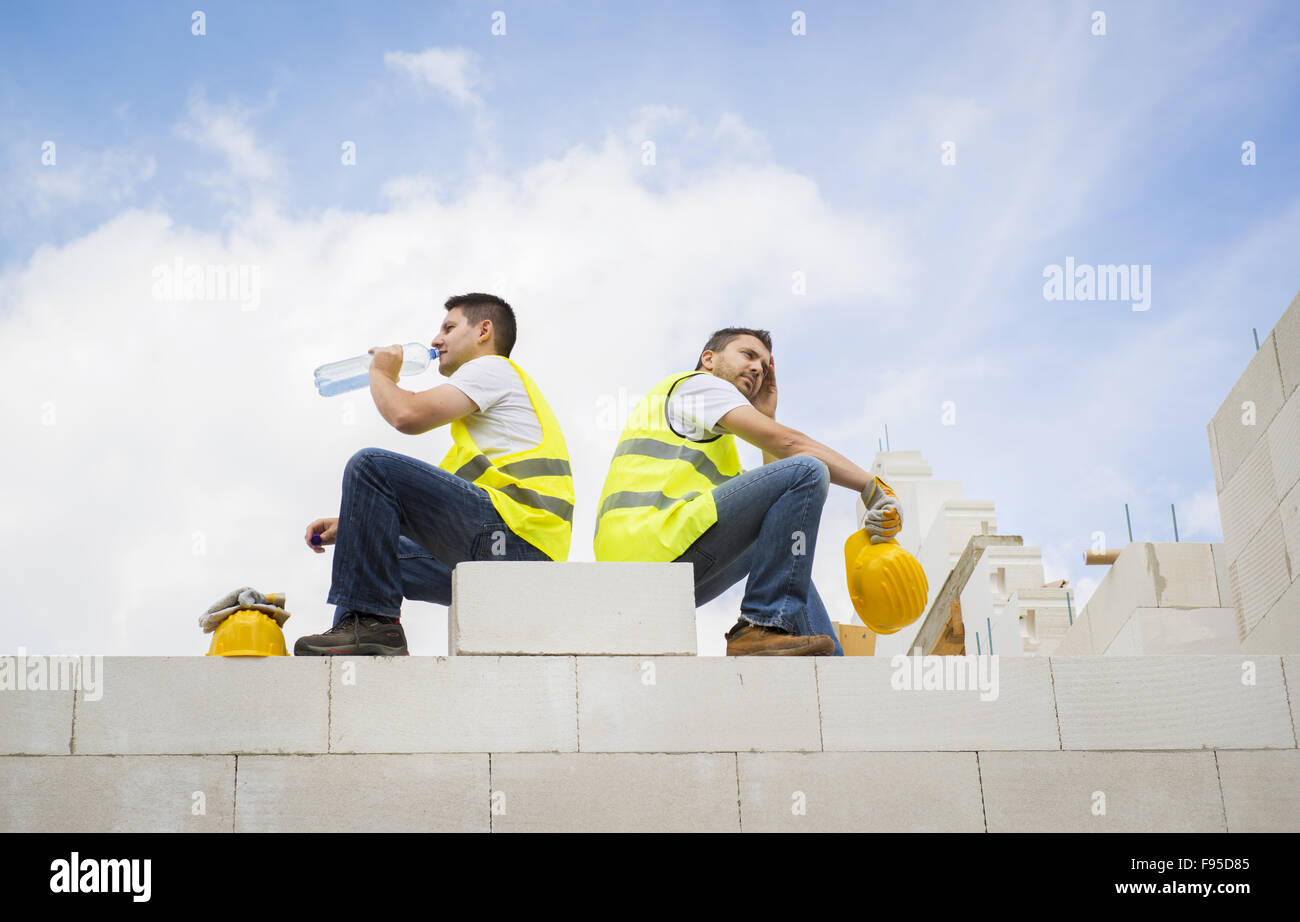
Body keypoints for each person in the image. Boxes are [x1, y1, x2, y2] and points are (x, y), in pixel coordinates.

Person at [593, 327, 902, 656]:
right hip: (651, 550)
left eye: (765, 365)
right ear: (709, 359)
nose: (758, 368)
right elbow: (791, 447)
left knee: (780, 538)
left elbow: (780, 504)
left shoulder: (709, 440)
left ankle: (829, 669)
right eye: (748, 355)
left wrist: (767, 413)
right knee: (809, 469)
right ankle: (761, 623)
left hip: (657, 562)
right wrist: (871, 488)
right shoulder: (698, 386)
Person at [295, 293, 574, 655]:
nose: (435, 340)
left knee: (370, 466)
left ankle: (372, 627)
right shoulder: (477, 437)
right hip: (509, 553)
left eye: (449, 327)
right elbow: (412, 514)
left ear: (483, 330)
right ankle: (357, 646)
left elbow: (406, 415)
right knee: (370, 553)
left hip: (517, 540)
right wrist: (358, 524)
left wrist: (380, 372)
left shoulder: (493, 368)